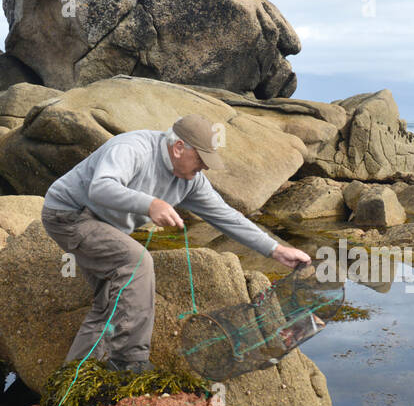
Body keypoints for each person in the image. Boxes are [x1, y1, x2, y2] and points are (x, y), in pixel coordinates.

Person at [40, 113, 310, 373]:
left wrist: (275, 249)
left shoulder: (190, 180)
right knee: (136, 261)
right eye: (201, 159)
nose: (204, 167)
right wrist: (151, 204)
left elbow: (226, 217)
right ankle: (129, 362)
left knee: (109, 302)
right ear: (179, 147)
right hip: (69, 214)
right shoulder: (132, 148)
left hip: (105, 225)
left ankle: (73, 376)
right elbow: (101, 187)